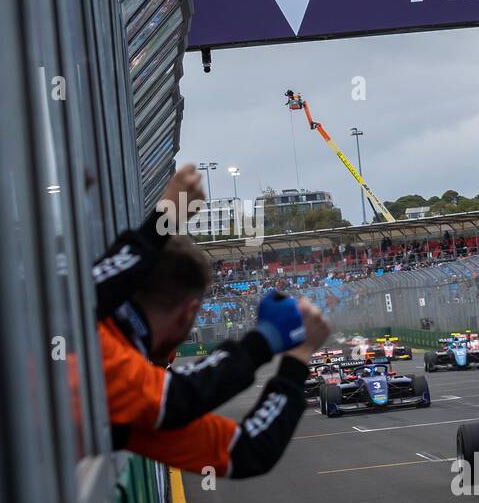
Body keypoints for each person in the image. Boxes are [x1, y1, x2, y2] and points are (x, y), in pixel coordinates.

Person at [94, 164, 330, 479]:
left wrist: (164, 220)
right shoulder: (102, 356)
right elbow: (187, 404)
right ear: (188, 312)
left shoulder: (69, 321)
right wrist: (283, 350)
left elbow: (241, 448)